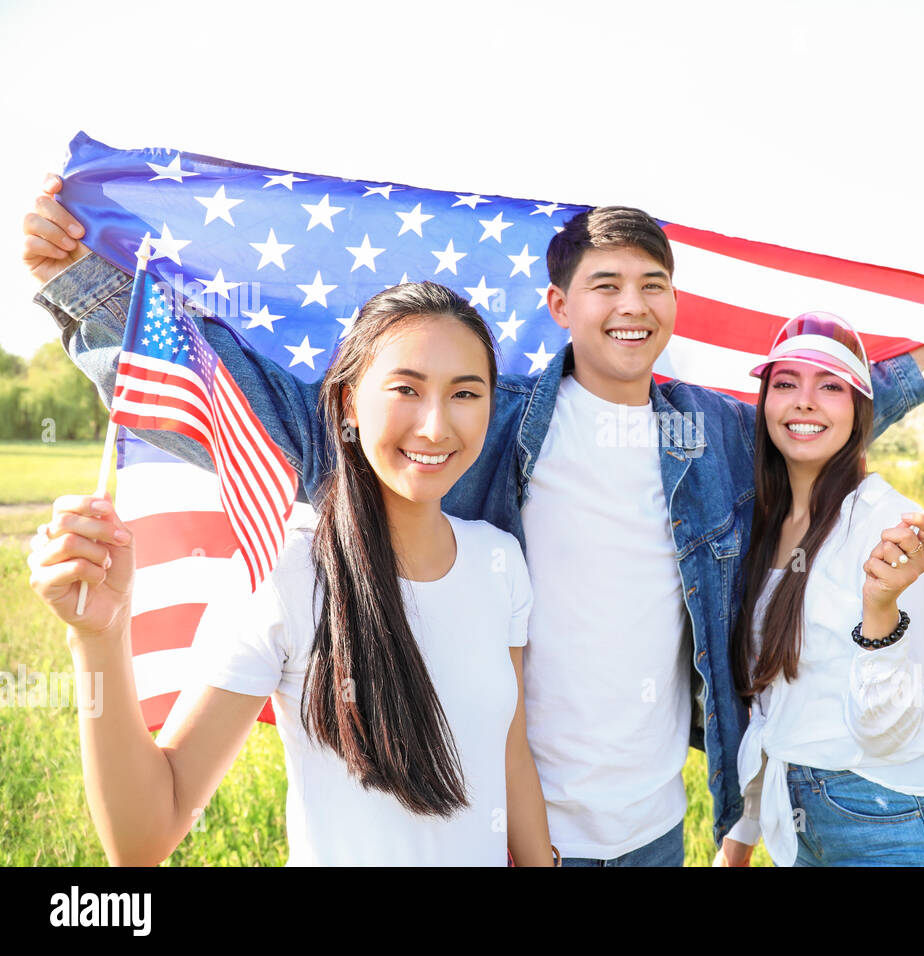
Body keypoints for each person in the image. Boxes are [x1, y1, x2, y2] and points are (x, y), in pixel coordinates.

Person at [25, 183, 924, 864]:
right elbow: (270, 409)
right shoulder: (496, 416)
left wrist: (912, 359)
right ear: (561, 306)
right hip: (518, 824)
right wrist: (88, 289)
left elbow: (807, 418)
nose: (631, 306)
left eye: (653, 285)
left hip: (653, 825)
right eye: (605, 284)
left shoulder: (711, 432)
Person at [27, 281, 554, 866]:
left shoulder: (501, 561)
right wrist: (97, 638)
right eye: (406, 388)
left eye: (465, 393)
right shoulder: (285, 572)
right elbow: (143, 838)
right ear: (349, 401)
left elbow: (507, 754)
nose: (435, 426)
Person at [714, 312, 924, 866]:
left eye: (830, 386)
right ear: (765, 403)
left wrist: (881, 611)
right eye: (785, 383)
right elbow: (773, 704)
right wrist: (738, 844)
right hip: (801, 821)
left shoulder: (892, 528)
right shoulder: (764, 523)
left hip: (894, 819)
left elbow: (887, 731)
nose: (805, 401)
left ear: (862, 409)